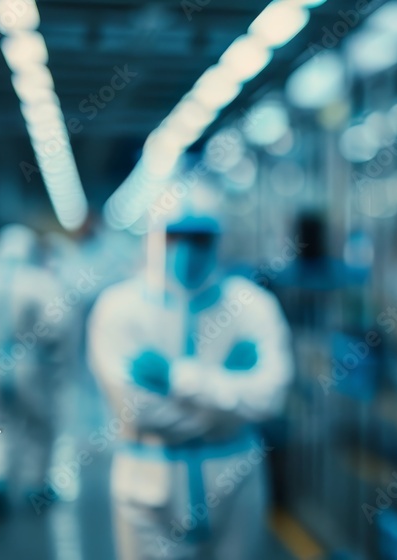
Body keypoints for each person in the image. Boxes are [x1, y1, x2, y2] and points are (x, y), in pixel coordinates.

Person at [86, 185, 294, 559]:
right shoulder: (118, 309)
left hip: (236, 482)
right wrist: (229, 391)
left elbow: (270, 398)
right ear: (153, 237)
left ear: (219, 238)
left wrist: (179, 379)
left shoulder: (252, 306)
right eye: (174, 235)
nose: (186, 249)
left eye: (200, 237)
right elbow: (140, 411)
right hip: (146, 486)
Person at [0, 224, 68, 510]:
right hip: (29, 364)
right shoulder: (41, 283)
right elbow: (56, 328)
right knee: (37, 426)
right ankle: (35, 486)